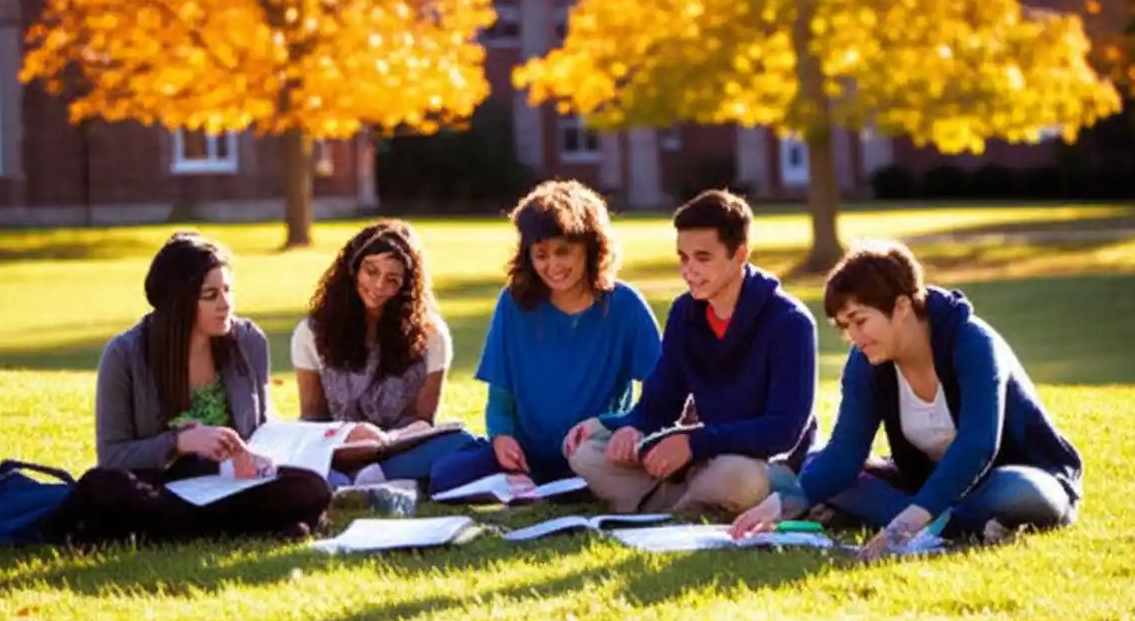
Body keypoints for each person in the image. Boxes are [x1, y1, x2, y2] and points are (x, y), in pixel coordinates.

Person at [730, 240, 1083, 559]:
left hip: (1007, 476)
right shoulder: (866, 362)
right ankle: (954, 523)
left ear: (901, 307)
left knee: (1017, 493)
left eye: (859, 321)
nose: (853, 337)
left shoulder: (972, 342)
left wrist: (903, 525)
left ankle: (932, 517)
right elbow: (844, 453)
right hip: (927, 485)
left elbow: (978, 444)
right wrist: (781, 502)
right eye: (844, 327)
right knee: (816, 466)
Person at [564, 189, 818, 516]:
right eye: (683, 258)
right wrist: (625, 427)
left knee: (736, 477)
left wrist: (692, 444)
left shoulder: (790, 323)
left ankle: (667, 504)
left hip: (761, 464)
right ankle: (688, 504)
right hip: (702, 456)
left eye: (703, 258)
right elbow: (659, 404)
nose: (689, 270)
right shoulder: (685, 313)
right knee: (585, 449)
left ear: (740, 254)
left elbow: (782, 431)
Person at [69, 232, 331, 544]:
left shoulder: (248, 342)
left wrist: (257, 454)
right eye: (210, 295)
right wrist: (180, 442)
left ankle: (179, 530)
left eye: (228, 290)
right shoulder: (125, 354)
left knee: (311, 487)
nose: (226, 305)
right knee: (103, 486)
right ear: (179, 300)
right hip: (161, 485)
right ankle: (239, 526)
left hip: (228, 482)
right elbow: (112, 456)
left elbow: (262, 427)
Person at [429, 180, 662, 493]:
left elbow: (660, 385)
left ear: (591, 247)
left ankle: (564, 485)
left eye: (563, 252)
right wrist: (501, 438)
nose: (552, 265)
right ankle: (523, 482)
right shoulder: (513, 303)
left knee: (599, 474)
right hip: (528, 453)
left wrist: (627, 426)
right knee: (445, 476)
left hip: (594, 449)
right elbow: (501, 392)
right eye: (541, 255)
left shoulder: (624, 305)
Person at [292, 220, 475, 482]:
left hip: (399, 450)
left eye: (392, 279)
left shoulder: (432, 335)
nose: (379, 286)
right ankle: (355, 477)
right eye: (371, 271)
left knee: (462, 441)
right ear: (353, 270)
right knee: (303, 461)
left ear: (406, 286)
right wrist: (352, 443)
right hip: (342, 450)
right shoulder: (312, 333)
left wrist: (386, 441)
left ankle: (369, 477)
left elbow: (424, 421)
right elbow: (312, 419)